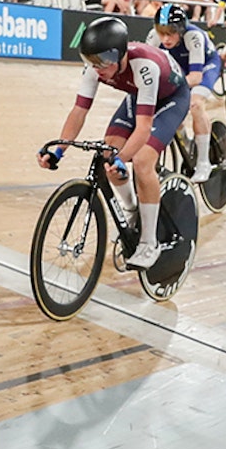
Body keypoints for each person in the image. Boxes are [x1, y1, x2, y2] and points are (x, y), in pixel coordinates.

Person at [43, 16, 189, 273]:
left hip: (171, 98)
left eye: (104, 61)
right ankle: (132, 211)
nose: (98, 68)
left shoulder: (145, 65)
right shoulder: (95, 66)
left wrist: (123, 158)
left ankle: (149, 242)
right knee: (108, 151)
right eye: (91, 61)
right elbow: (78, 112)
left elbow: (143, 128)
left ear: (121, 55)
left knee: (142, 161)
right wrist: (58, 151)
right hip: (139, 95)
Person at [152, 3, 223, 178]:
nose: (166, 39)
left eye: (171, 33)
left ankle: (204, 162)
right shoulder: (153, 37)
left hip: (205, 66)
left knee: (195, 103)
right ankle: (186, 141)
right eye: (162, 33)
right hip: (181, 69)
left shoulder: (193, 36)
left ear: (182, 30)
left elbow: (196, 77)